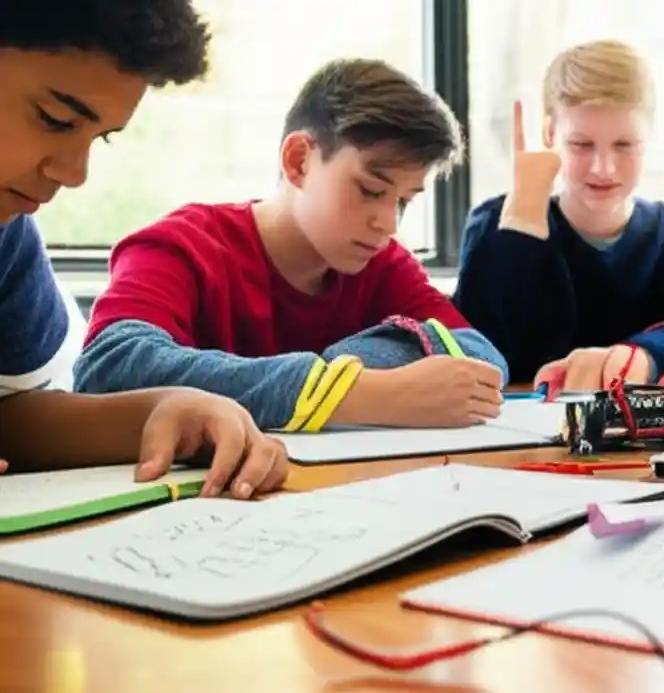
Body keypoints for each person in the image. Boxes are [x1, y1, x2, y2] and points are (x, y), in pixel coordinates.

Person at [75, 58, 508, 431]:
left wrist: (348, 367)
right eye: (371, 191)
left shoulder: (382, 263)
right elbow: (108, 369)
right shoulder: (180, 246)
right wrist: (358, 394)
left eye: (405, 202)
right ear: (298, 161)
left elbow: (479, 358)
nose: (388, 223)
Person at [0, 0, 286, 497]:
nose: (74, 173)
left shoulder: (7, 236)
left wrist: (165, 410)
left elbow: (11, 420)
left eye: (100, 137)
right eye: (54, 118)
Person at [452, 39, 664, 392]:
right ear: (549, 134)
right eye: (581, 145)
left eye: (625, 145)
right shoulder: (494, 224)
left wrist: (641, 357)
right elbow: (477, 357)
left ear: (649, 136)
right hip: (521, 436)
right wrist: (521, 226)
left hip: (641, 439)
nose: (604, 168)